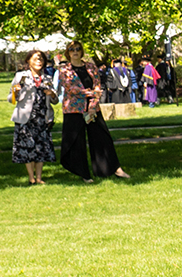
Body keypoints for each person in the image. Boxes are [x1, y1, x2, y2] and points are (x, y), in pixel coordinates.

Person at [55, 42, 131, 181]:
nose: (75, 52)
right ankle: (84, 173)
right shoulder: (64, 70)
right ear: (68, 53)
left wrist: (92, 103)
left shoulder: (91, 66)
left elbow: (97, 85)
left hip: (92, 107)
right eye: (72, 50)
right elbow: (70, 88)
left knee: (102, 137)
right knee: (77, 142)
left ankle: (114, 169)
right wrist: (89, 93)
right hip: (74, 109)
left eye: (78, 49)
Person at [10, 50, 57, 184]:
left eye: (41, 59)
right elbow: (11, 98)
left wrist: (52, 95)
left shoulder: (47, 78)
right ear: (28, 61)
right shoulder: (21, 76)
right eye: (36, 58)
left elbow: (54, 100)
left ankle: (39, 178)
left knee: (41, 147)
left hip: (43, 116)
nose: (39, 61)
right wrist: (16, 92)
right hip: (26, 117)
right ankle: (31, 178)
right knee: (27, 147)